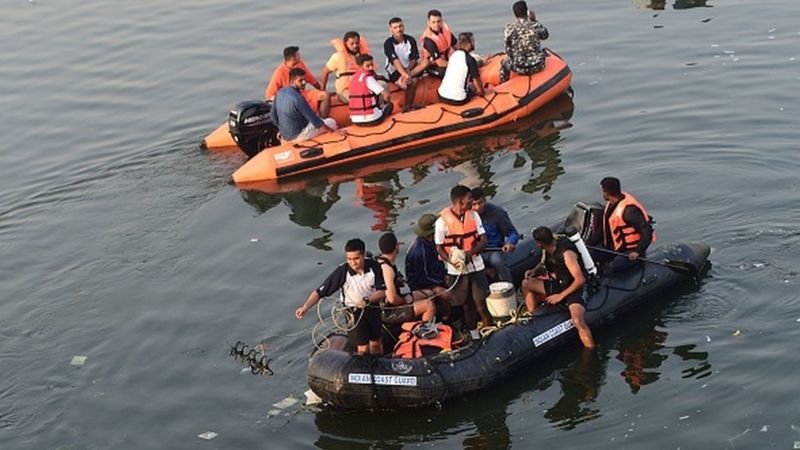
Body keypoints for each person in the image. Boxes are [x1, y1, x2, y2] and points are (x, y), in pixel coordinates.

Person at [295, 239, 386, 355]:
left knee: (376, 342)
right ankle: (362, 368)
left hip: (372, 307)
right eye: (349, 259)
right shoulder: (342, 271)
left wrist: (367, 300)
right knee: (363, 347)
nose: (353, 263)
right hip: (353, 312)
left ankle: (378, 365)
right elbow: (320, 291)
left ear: (363, 255)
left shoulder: (375, 267)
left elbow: (382, 291)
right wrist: (305, 307)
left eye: (356, 259)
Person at [522, 227, 595, 349]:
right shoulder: (547, 250)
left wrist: (560, 296)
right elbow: (544, 264)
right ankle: (534, 317)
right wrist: (534, 271)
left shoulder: (567, 253)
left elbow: (580, 279)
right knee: (526, 284)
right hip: (559, 283)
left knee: (577, 320)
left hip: (574, 287)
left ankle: (591, 351)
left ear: (539, 243)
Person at [435, 185, 493, 330]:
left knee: (481, 303)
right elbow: (439, 247)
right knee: (467, 306)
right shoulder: (441, 223)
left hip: (476, 265)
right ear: (460, 202)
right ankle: (474, 335)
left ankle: (490, 330)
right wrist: (452, 261)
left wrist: (470, 253)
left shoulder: (473, 215)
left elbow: (483, 239)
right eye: (469, 199)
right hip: (457, 270)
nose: (472, 202)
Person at [594, 177, 656, 273]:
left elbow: (647, 230)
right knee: (589, 254)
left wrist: (637, 251)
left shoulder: (629, 211)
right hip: (614, 248)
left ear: (606, 193)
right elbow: (604, 229)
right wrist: (587, 243)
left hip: (630, 252)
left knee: (612, 267)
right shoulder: (611, 204)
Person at [376, 232, 437, 322]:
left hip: (393, 302)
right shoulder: (387, 269)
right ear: (397, 247)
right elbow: (392, 298)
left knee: (429, 294)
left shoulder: (380, 260)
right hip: (390, 311)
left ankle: (429, 320)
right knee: (429, 305)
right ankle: (424, 332)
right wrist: (404, 300)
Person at [405, 213, 454, 320]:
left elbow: (438, 262)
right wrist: (440, 284)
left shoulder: (431, 242)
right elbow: (423, 277)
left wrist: (445, 274)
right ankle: (447, 319)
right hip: (422, 284)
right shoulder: (420, 252)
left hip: (434, 275)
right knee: (445, 295)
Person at [270, 68, 338, 143]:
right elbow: (316, 122)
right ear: (292, 82)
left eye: (305, 80)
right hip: (299, 135)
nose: (304, 82)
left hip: (285, 135)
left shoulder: (279, 93)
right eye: (300, 81)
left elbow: (273, 116)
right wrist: (334, 132)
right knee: (331, 122)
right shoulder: (298, 98)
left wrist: (282, 130)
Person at [265, 46, 331, 118]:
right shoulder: (279, 73)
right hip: (290, 100)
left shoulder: (300, 64)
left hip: (303, 94)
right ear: (292, 58)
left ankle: (322, 120)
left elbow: (311, 79)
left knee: (325, 95)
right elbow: (270, 94)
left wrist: (321, 90)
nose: (300, 56)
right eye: (298, 55)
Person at [470, 188, 520, 282]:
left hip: (494, 250)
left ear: (485, 200)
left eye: (480, 203)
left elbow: (512, 233)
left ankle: (508, 288)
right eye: (474, 204)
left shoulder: (497, 213)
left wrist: (510, 243)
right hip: (476, 252)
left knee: (497, 262)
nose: (477, 207)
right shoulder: (467, 216)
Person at [499, 1, 550, 83]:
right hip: (538, 65)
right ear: (527, 11)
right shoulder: (535, 25)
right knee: (544, 51)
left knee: (504, 63)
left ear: (515, 14)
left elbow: (508, 50)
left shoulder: (509, 29)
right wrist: (535, 20)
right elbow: (545, 35)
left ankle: (503, 85)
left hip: (519, 68)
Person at [437, 32, 488, 106]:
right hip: (458, 99)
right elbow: (478, 85)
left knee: (469, 86)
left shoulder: (453, 55)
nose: (474, 43)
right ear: (468, 44)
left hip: (441, 96)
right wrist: (483, 92)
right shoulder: (470, 59)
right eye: (473, 41)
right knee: (473, 88)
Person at [384, 17, 420, 111]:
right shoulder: (388, 43)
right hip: (395, 70)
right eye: (395, 27)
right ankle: (406, 105)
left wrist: (407, 71)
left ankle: (407, 105)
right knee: (412, 81)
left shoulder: (410, 40)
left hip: (409, 68)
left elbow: (414, 59)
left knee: (423, 66)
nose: (398, 29)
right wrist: (404, 74)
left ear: (403, 27)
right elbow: (395, 61)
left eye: (400, 26)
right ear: (391, 29)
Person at [321, 31, 369, 103]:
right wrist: (322, 91)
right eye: (352, 44)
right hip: (345, 90)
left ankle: (381, 109)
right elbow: (325, 72)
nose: (355, 45)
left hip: (362, 86)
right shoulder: (338, 57)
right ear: (345, 44)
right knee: (356, 98)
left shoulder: (363, 56)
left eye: (357, 43)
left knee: (381, 89)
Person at [349, 54, 394, 126]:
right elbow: (386, 95)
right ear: (360, 66)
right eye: (367, 66)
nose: (371, 68)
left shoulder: (353, 78)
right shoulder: (368, 78)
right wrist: (385, 103)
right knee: (390, 105)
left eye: (372, 65)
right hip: (372, 119)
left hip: (355, 121)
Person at [412, 9, 456, 78]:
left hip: (446, 60)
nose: (436, 25)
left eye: (438, 21)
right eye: (433, 22)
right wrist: (458, 64)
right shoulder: (428, 40)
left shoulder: (445, 31)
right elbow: (440, 63)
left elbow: (457, 46)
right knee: (445, 72)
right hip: (433, 66)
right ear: (428, 23)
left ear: (442, 21)